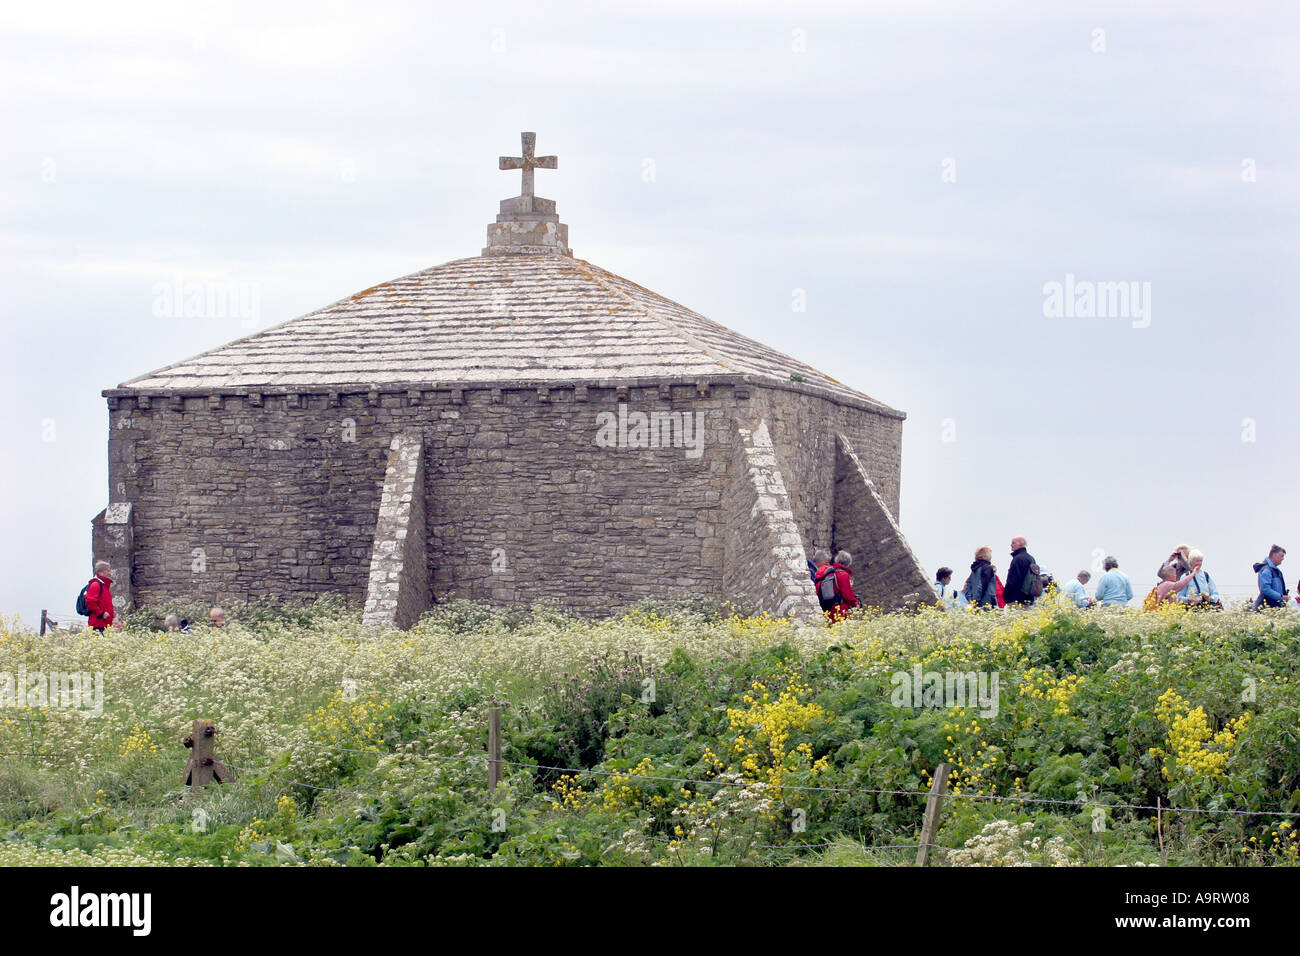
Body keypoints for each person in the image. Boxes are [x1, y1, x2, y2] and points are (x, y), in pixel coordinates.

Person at [814, 551, 859, 623]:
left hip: (828, 608)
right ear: (848, 563)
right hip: (840, 609)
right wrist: (855, 604)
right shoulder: (842, 574)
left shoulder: (831, 572)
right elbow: (847, 594)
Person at [1003, 536, 1040, 606]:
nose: (1011, 545)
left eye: (1013, 543)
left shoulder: (1018, 559)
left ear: (1021, 544)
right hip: (1029, 600)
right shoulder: (1031, 558)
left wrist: (1006, 595)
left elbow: (1013, 580)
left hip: (1016, 600)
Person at [84, 560, 116, 632]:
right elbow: (90, 602)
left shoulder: (103, 585)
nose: (110, 574)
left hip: (104, 624)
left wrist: (111, 612)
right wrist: (101, 613)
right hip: (98, 624)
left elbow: (103, 603)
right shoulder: (96, 585)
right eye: (108, 571)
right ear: (101, 571)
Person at [1254, 545, 1287, 611]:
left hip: (1274, 607)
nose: (1282, 558)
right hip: (1266, 607)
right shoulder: (1267, 570)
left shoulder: (1276, 571)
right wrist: (1281, 597)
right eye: (1281, 556)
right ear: (1274, 555)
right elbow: (1265, 589)